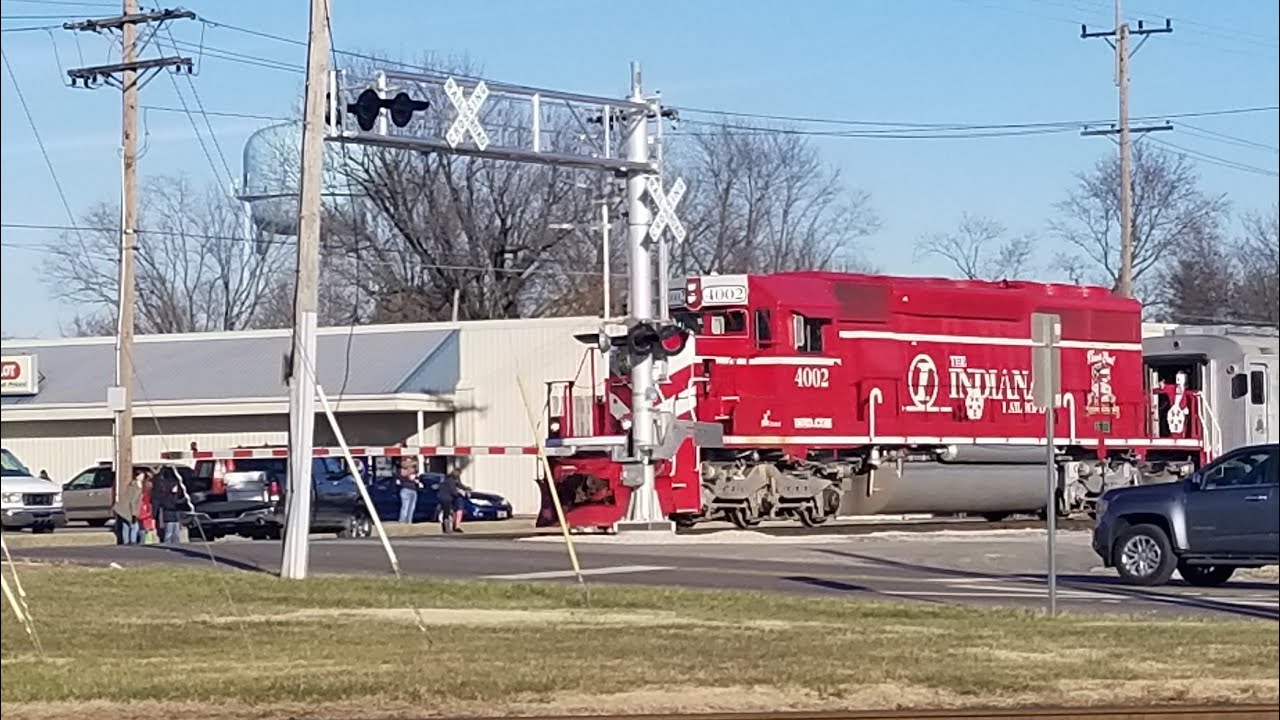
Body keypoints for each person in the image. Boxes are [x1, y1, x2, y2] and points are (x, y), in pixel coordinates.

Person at [148, 467, 183, 544]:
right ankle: (170, 545)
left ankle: (172, 545)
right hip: (170, 512)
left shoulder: (160, 485)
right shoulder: (166, 490)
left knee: (174, 532)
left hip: (172, 512)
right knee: (171, 532)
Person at [112, 468, 145, 545]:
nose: (143, 477)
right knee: (134, 526)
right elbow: (133, 501)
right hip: (128, 509)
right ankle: (132, 542)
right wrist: (134, 514)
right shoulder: (137, 486)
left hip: (122, 509)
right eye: (141, 475)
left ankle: (125, 542)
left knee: (125, 526)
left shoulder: (131, 484)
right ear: (137, 476)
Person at [396, 460, 422, 524]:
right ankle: (408, 521)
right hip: (412, 489)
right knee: (411, 508)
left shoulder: (400, 472)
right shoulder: (413, 471)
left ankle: (402, 521)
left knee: (405, 506)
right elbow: (416, 479)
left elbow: (398, 482)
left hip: (404, 489)